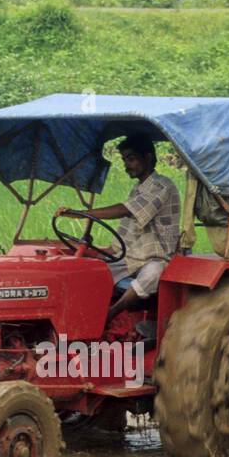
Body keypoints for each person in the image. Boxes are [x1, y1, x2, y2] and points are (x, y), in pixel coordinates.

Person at [55, 134, 180, 323]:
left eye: (131, 159)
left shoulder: (162, 186)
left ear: (148, 157)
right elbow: (123, 237)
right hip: (132, 258)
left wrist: (82, 213)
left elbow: (125, 210)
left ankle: (111, 313)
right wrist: (93, 252)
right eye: (124, 160)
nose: (126, 165)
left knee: (152, 274)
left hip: (158, 257)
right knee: (91, 274)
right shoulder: (138, 190)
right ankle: (77, 318)